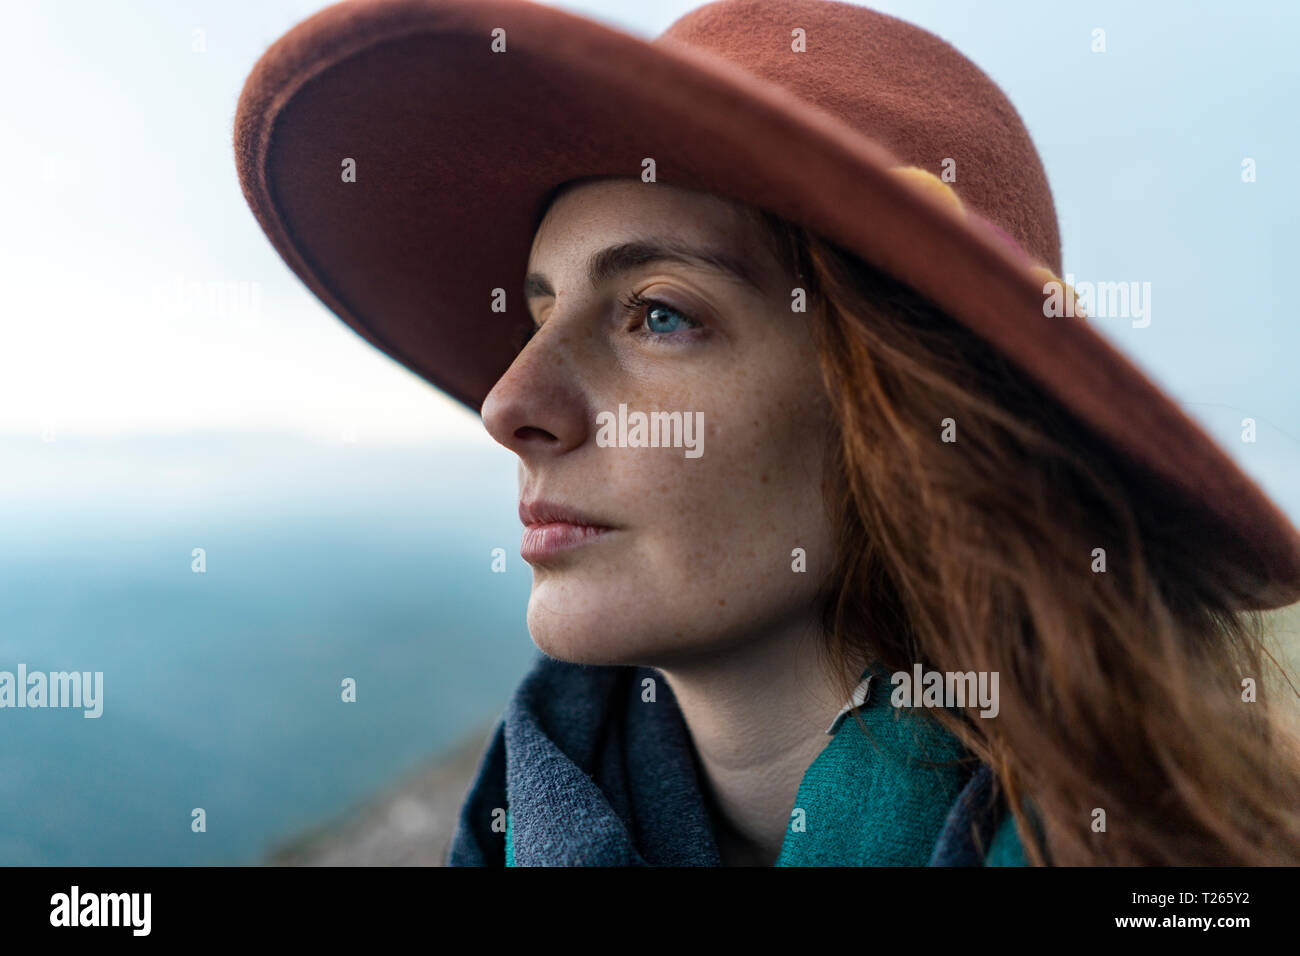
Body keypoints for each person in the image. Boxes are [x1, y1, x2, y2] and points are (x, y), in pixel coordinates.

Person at [233, 0, 1300, 866]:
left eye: (657, 312)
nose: (509, 402)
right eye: (536, 312)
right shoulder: (514, 814)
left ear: (905, 416)